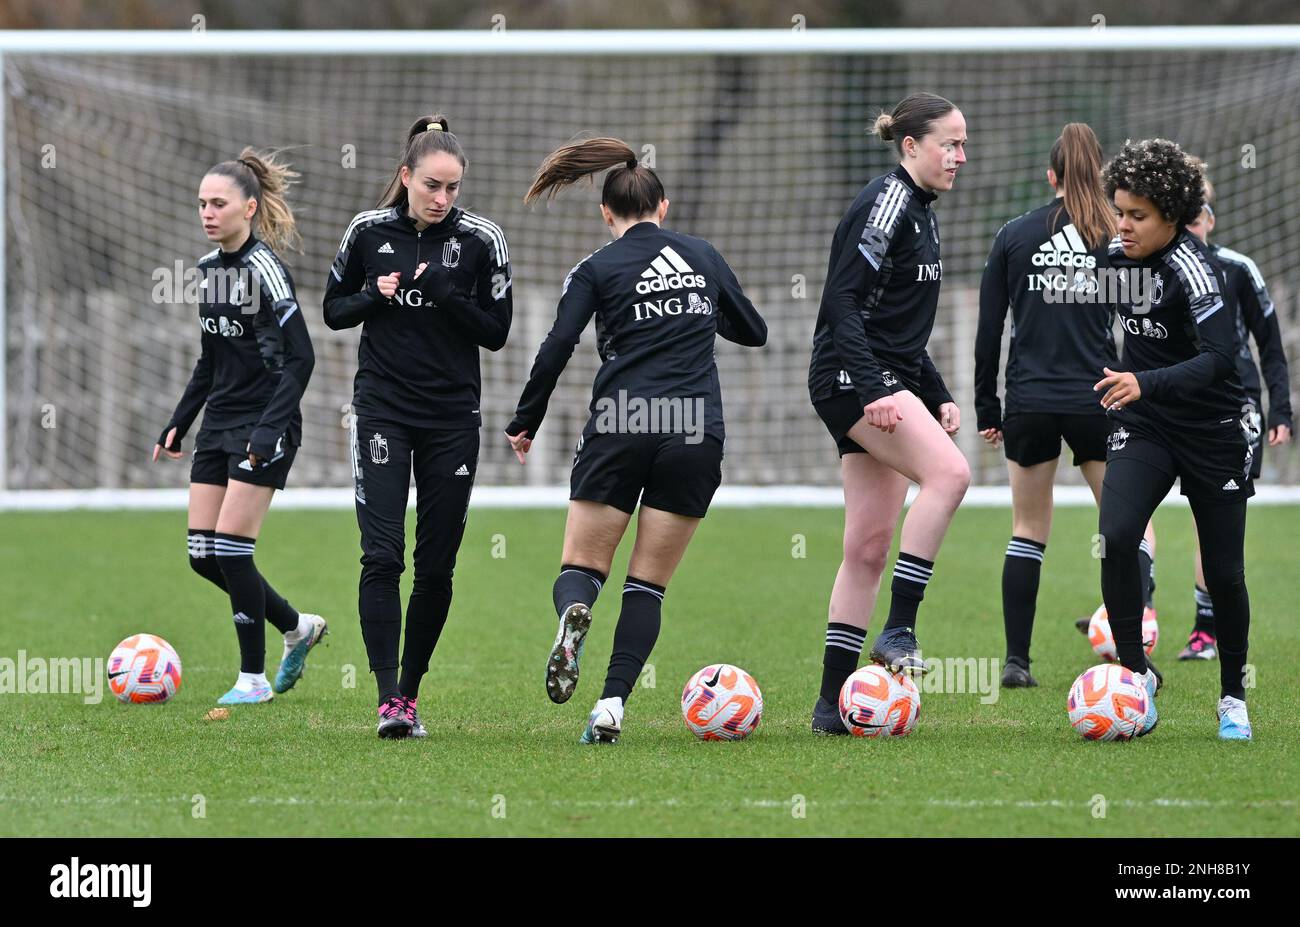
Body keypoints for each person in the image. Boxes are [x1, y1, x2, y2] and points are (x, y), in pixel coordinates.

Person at [505, 136, 766, 744]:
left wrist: (527, 419)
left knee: (582, 566)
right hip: (694, 428)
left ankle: (574, 614)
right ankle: (611, 707)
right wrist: (697, 307)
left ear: (606, 214)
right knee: (647, 583)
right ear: (664, 207)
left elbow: (558, 345)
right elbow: (751, 330)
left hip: (623, 419)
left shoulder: (596, 268)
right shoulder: (701, 254)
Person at [324, 115, 512, 739]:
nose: (442, 198)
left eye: (453, 188)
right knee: (381, 555)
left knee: (436, 566)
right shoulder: (367, 231)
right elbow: (333, 311)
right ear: (405, 177)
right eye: (432, 185)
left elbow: (496, 332)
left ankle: (410, 692)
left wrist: (443, 290)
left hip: (452, 419)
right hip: (382, 410)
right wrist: (375, 296)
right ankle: (386, 700)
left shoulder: (483, 240)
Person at [807, 92, 969, 735]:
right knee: (951, 476)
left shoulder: (923, 211)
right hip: (851, 379)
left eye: (963, 143)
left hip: (879, 377)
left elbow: (898, 329)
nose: (959, 155)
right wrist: (873, 386)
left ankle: (829, 706)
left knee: (869, 547)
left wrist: (938, 391)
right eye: (947, 143)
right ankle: (900, 627)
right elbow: (843, 303)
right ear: (910, 146)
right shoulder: (889, 202)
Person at [975, 123, 1156, 688]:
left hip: (1029, 398)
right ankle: (1135, 657)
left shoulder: (1014, 234)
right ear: (1097, 176)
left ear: (1050, 175)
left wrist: (987, 407)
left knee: (1028, 529)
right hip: (1098, 398)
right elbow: (1147, 324)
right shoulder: (1115, 237)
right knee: (1126, 529)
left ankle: (1016, 663)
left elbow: (989, 330)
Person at [153, 147, 324, 705]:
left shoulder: (265, 269)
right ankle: (298, 627)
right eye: (202, 203)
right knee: (203, 556)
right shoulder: (206, 271)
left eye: (218, 203)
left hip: (264, 425)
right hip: (221, 424)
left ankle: (252, 678)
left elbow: (301, 357)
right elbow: (211, 359)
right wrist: (179, 423)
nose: (208, 212)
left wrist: (270, 430)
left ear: (249, 208)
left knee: (231, 550)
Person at [1097, 138, 1255, 739]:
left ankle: (1234, 696)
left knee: (1224, 570)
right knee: (1115, 536)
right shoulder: (1112, 258)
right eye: (1119, 211)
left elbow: (1221, 361)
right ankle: (1137, 678)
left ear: (1171, 215)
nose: (1124, 226)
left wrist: (1145, 379)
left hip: (1213, 429)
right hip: (1147, 423)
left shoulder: (1197, 267)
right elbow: (1091, 314)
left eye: (1137, 216)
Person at [1177, 161, 1291, 661]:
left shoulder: (1238, 269)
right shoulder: (1156, 266)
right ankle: (1137, 613)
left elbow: (1270, 346)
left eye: (1199, 215)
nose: (1193, 227)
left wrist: (1280, 409)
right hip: (1173, 405)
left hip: (1236, 408)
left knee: (1214, 520)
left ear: (1212, 217)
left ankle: (1207, 630)